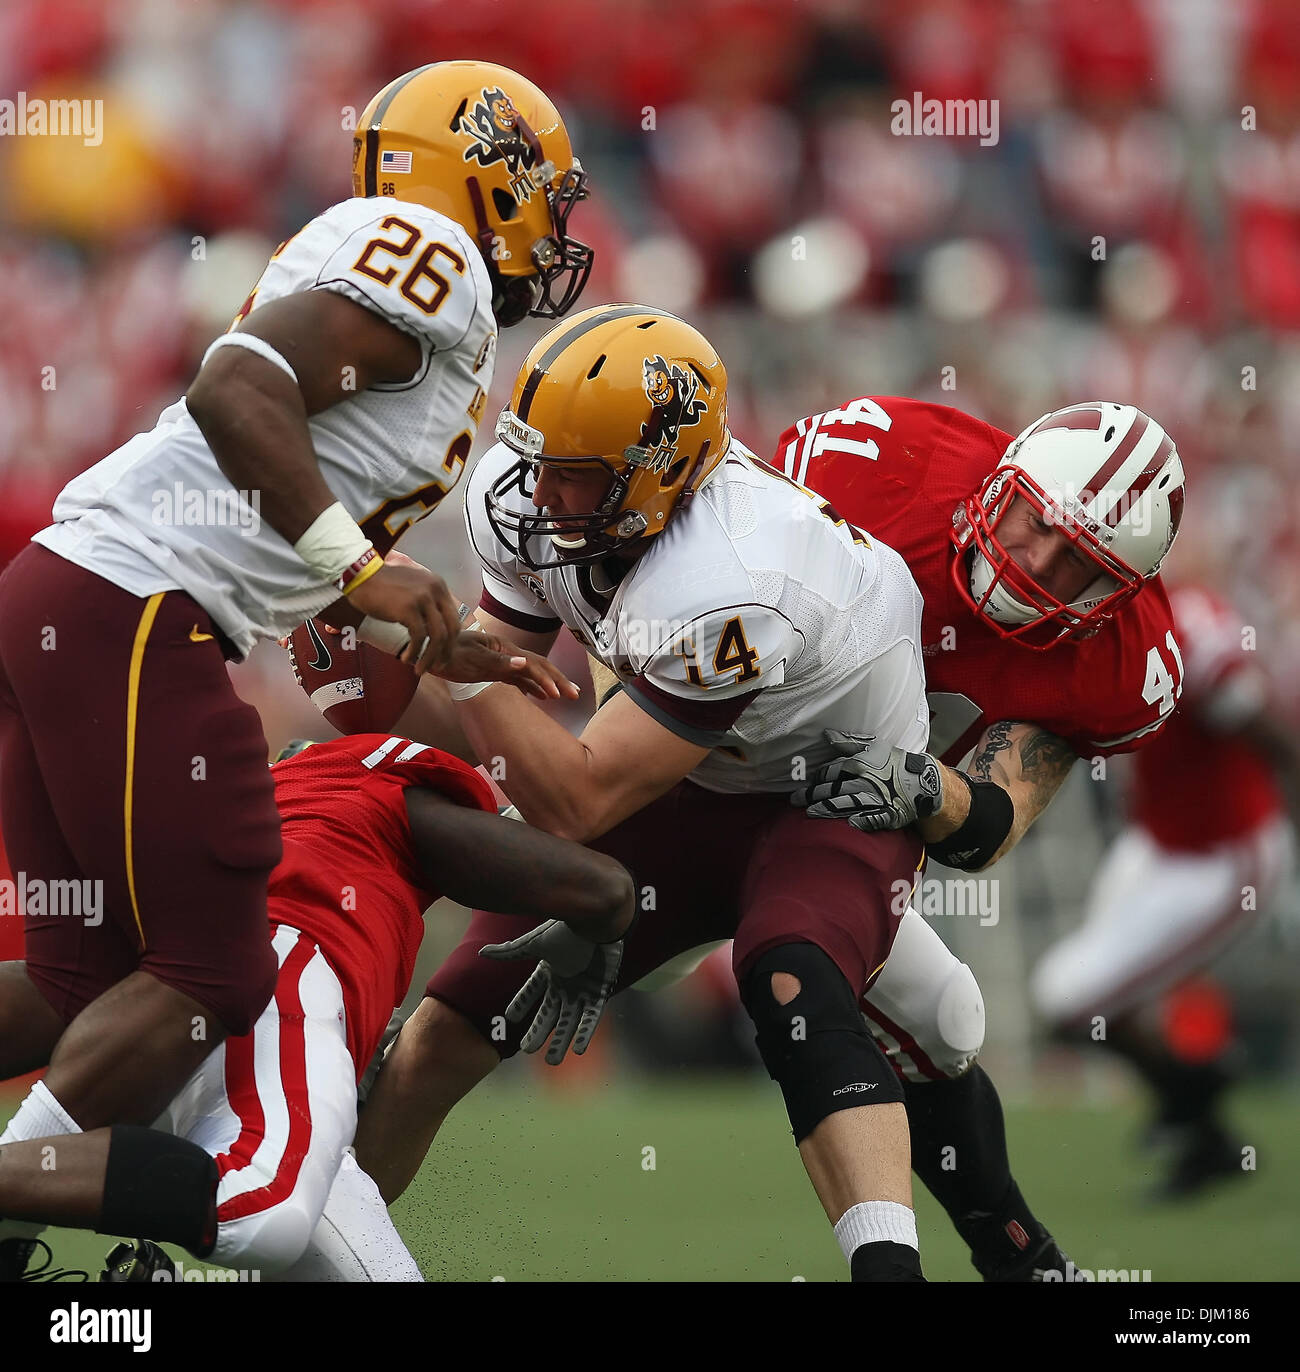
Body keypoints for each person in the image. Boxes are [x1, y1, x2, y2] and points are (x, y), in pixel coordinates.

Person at [0, 58, 590, 1278]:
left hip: (83, 593)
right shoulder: (429, 246)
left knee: (78, 982)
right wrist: (368, 574)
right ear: (469, 177)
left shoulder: (413, 285)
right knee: (212, 970)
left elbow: (261, 495)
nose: (550, 221)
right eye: (535, 189)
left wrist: (402, 623)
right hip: (136, 607)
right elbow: (236, 387)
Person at [352, 303, 944, 1283]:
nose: (534, 492)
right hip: (682, 771)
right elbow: (509, 717)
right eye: (534, 460)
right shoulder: (535, 488)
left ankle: (892, 1273)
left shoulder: (735, 576)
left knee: (793, 979)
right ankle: (308, 1256)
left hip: (830, 787)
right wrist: (381, 673)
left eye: (571, 475)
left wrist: (446, 659)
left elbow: (573, 799)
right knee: (451, 1020)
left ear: (656, 473)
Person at [773, 395, 1186, 1277]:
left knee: (946, 1017)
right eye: (1032, 520)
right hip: (690, 776)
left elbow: (983, 832)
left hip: (818, 840)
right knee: (492, 984)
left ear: (1116, 590)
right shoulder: (885, 461)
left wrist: (924, 784)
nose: (1033, 559)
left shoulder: (1118, 666)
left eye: (1075, 562)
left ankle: (1023, 1261)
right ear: (1002, 484)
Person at [0, 733, 634, 1282]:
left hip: (166, 1012)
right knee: (263, 1217)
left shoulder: (258, 805)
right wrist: (594, 932)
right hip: (277, 994)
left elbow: (69, 986)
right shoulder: (380, 789)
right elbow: (605, 888)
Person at [1032, 579, 1297, 1198]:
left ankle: (1195, 1088)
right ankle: (1202, 1126)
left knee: (1071, 1000)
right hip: (1155, 843)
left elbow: (1272, 735)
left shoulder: (1191, 626)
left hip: (1222, 856)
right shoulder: (1088, 615)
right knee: (1094, 1002)